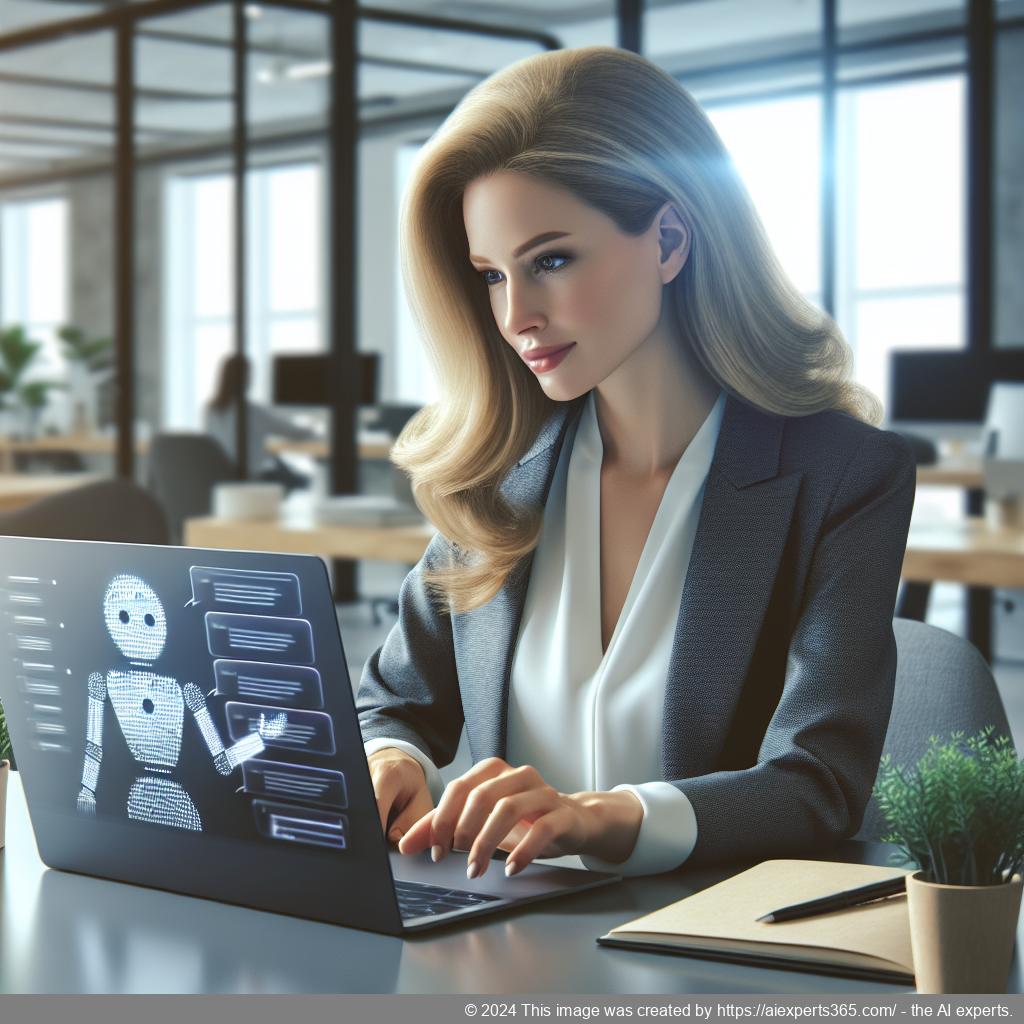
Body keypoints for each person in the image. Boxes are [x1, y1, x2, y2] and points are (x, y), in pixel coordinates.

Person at [357, 46, 916, 881]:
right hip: (502, 947)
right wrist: (389, 758)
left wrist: (605, 818)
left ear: (669, 239)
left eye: (551, 260)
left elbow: (819, 783)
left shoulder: (844, 477)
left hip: (704, 962)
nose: (517, 316)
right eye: (490, 275)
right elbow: (394, 702)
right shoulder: (498, 473)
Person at [204, 354, 316, 490]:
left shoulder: (211, 409)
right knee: (307, 482)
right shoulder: (250, 411)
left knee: (281, 465)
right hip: (251, 479)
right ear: (246, 378)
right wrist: (315, 429)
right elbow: (293, 432)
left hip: (222, 480)